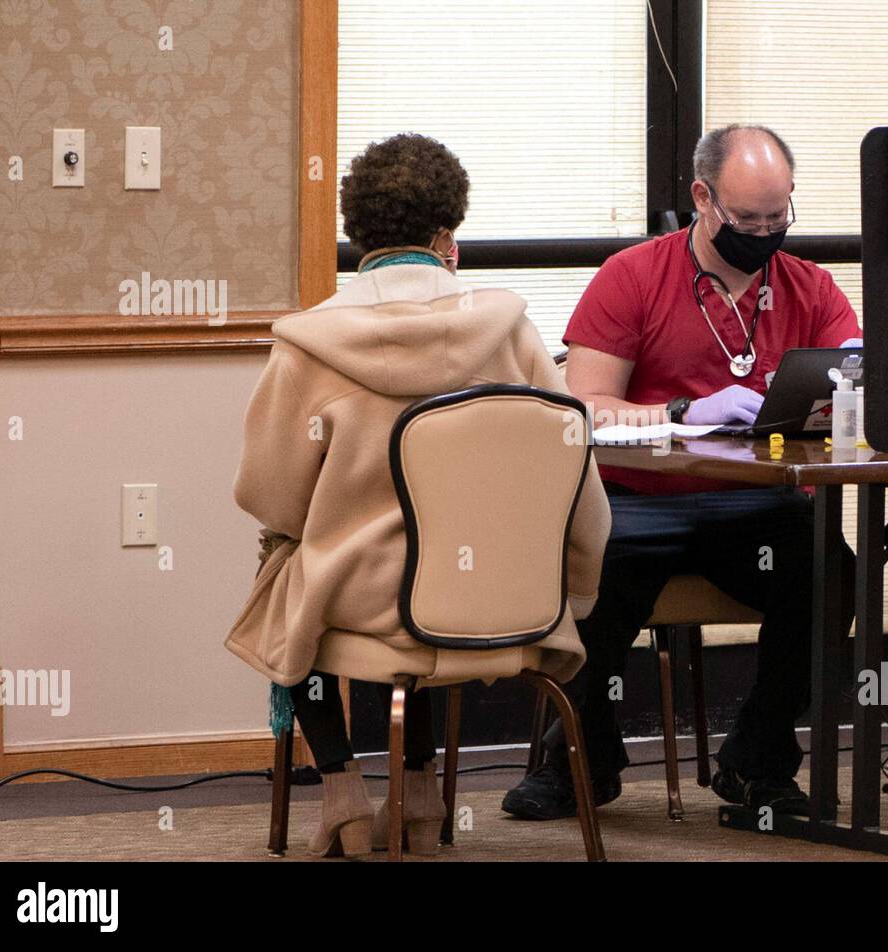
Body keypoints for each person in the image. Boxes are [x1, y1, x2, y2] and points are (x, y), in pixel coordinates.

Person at [227, 133, 611, 857]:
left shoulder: (309, 345)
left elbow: (269, 497)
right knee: (419, 574)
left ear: (355, 234)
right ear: (446, 236)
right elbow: (580, 489)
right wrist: (574, 595)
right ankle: (424, 793)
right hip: (505, 599)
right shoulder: (515, 334)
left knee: (293, 576)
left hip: (363, 600)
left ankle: (341, 791)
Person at [502, 123, 859, 821]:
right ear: (702, 197)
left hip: (755, 508)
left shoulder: (809, 287)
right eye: (746, 219)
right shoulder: (633, 277)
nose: (763, 234)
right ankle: (580, 755)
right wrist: (684, 410)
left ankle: (756, 761)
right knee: (592, 580)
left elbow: (854, 369)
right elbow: (583, 406)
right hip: (638, 501)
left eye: (777, 217)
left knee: (830, 573)